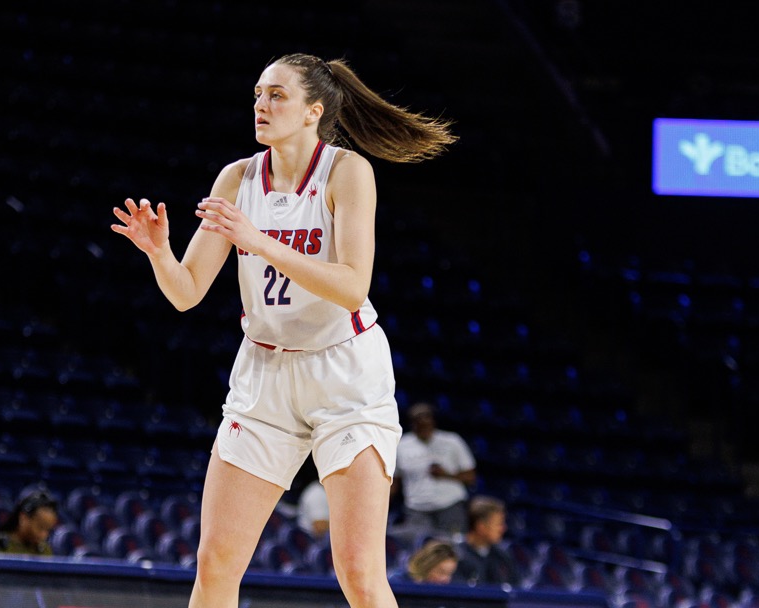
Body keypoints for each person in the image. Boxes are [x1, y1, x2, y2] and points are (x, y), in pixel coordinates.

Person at [112, 52, 454, 608]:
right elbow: (186, 293)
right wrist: (159, 254)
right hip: (264, 373)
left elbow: (351, 286)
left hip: (344, 374)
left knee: (360, 573)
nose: (261, 106)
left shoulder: (347, 172)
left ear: (313, 110)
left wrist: (260, 240)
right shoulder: (238, 177)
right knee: (215, 562)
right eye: (256, 95)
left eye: (276, 95)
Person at [393, 402, 477, 538]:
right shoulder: (401, 446)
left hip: (449, 505)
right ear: (412, 423)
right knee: (420, 551)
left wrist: (447, 475)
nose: (423, 422)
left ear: (433, 420)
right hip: (417, 509)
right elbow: (394, 481)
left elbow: (471, 477)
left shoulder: (452, 441)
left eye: (427, 418)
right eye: (418, 419)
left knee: (452, 548)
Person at [453, 496, 520, 587]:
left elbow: (516, 588)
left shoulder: (503, 557)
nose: (503, 529)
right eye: (499, 524)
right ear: (481, 526)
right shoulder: (457, 555)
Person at [0, 490, 58, 555]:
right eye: (40, 527)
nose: (44, 536)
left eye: (47, 530)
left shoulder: (44, 551)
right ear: (23, 518)